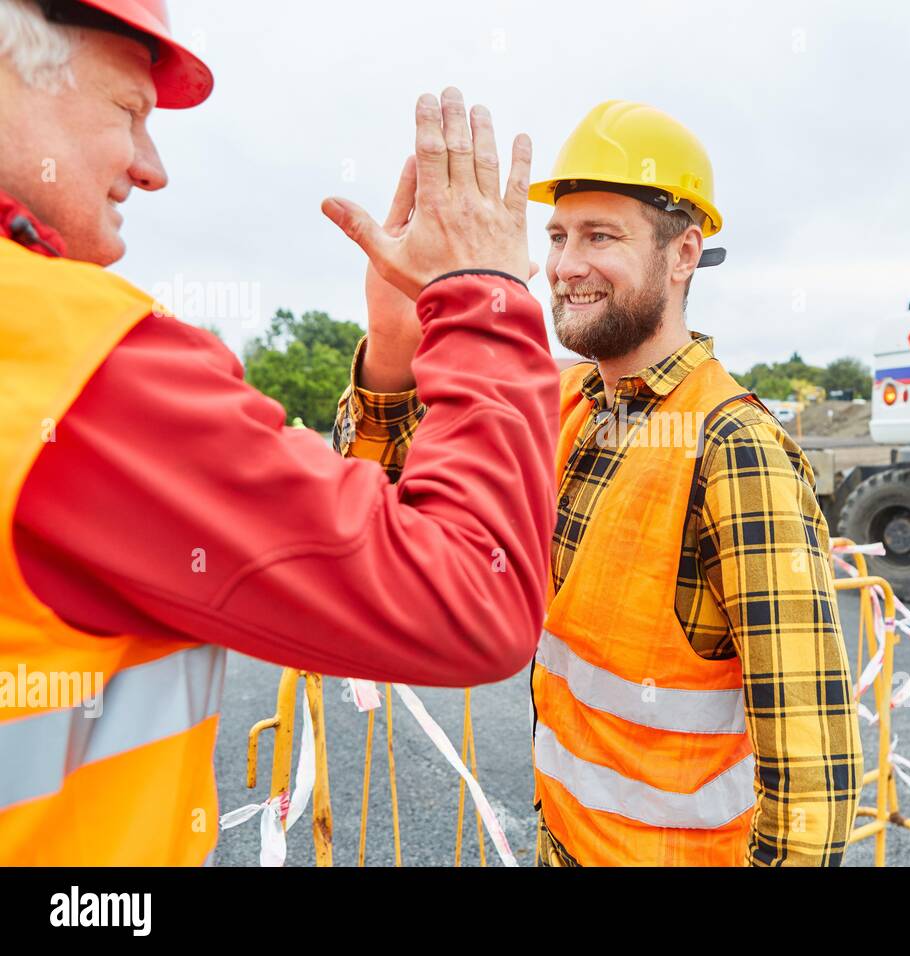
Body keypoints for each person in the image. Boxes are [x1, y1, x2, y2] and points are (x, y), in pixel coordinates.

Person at [0, 0, 558, 864]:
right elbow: (468, 597)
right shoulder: (71, 362)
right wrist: (486, 300)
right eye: (129, 112)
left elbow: (327, 542)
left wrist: (395, 363)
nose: (151, 169)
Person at [336, 101, 863, 866]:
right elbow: (376, 512)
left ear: (684, 254)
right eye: (557, 236)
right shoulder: (559, 405)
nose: (565, 265)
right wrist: (392, 339)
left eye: (600, 236)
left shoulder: (734, 447)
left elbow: (811, 776)